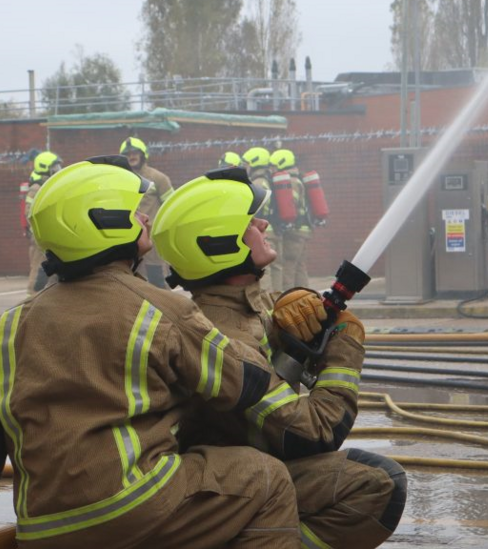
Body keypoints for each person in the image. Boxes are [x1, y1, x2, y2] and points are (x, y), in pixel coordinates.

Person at [0, 155, 346, 548]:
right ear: (102, 223)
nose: (145, 217)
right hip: (135, 506)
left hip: (43, 527)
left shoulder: (9, 327)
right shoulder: (160, 309)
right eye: (133, 212)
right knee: (265, 477)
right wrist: (282, 339)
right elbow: (246, 380)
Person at [152, 167, 407, 549]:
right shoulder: (224, 340)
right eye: (250, 222)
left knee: (370, 477)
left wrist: (291, 301)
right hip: (234, 486)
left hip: (244, 471)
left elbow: (251, 311)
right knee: (378, 485)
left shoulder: (222, 312)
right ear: (221, 243)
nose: (264, 223)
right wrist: (343, 350)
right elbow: (315, 435)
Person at [120, 136, 173, 288]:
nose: (131, 156)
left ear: (143, 155)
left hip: (151, 241)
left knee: (157, 281)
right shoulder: (122, 179)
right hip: (129, 239)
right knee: (133, 282)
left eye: (135, 153)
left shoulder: (158, 178)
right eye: (127, 154)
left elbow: (171, 207)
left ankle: (164, 303)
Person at [242, 146, 283, 292]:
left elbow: (256, 209)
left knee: (265, 267)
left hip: (265, 230)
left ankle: (266, 299)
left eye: (247, 163)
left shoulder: (258, 182)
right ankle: (277, 297)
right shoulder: (270, 179)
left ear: (254, 162)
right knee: (277, 267)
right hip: (276, 229)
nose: (246, 167)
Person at [271, 148, 312, 288]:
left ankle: (289, 298)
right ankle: (304, 297)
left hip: (294, 232)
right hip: (302, 231)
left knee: (288, 268)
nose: (272, 169)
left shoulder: (291, 182)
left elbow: (291, 204)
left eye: (274, 165)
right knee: (299, 267)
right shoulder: (298, 178)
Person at [24, 151, 62, 297]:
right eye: (54, 167)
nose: (57, 170)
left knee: (52, 272)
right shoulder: (36, 188)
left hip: (51, 235)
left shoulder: (50, 186)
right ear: (44, 168)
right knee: (39, 273)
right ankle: (31, 300)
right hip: (40, 237)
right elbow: (29, 213)